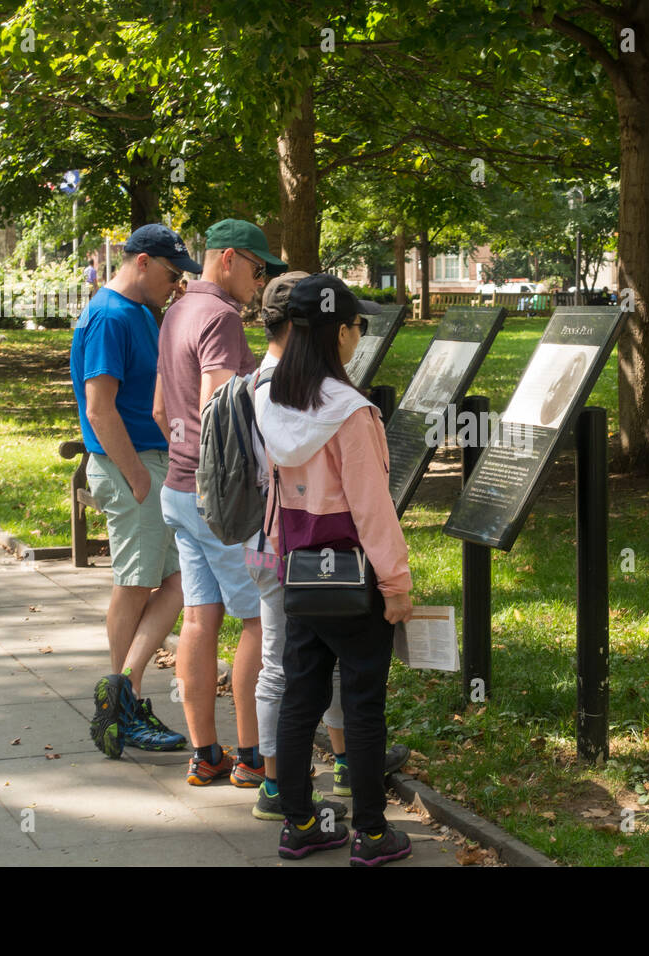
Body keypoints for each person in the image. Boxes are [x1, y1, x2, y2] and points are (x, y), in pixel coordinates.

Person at [260, 273, 415, 866]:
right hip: (354, 577)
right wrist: (396, 584)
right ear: (338, 333)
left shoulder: (272, 400)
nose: (358, 336)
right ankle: (372, 834)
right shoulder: (351, 412)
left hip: (299, 570)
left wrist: (279, 560)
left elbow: (275, 495)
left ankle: (299, 822)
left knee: (302, 696)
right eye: (356, 325)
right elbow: (372, 507)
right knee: (363, 703)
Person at [154, 218, 285, 787]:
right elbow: (219, 413)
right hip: (222, 503)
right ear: (228, 259)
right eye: (258, 270)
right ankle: (253, 757)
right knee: (257, 618)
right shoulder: (222, 317)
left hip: (179, 491)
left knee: (199, 618)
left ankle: (206, 754)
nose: (260, 283)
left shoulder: (177, 310)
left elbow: (163, 410)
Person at [70, 223, 199, 759]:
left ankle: (123, 689)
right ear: (142, 262)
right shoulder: (110, 315)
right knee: (136, 583)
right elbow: (99, 408)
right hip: (131, 467)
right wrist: (138, 475)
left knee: (175, 583)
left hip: (150, 463)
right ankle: (122, 705)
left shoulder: (140, 312)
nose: (176, 286)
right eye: (172, 275)